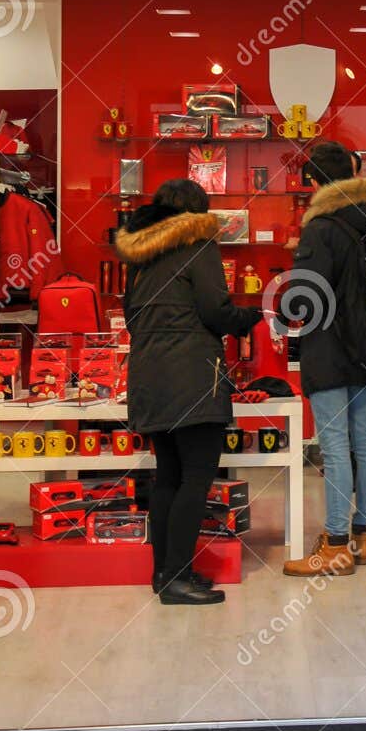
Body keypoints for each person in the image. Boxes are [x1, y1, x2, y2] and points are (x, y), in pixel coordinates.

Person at [116, 178, 262, 606]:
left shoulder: (140, 257)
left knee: (168, 478)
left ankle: (164, 573)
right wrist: (248, 318)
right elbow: (215, 311)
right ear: (199, 215)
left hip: (148, 377)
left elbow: (131, 319)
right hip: (193, 379)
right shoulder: (200, 247)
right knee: (196, 478)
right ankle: (178, 577)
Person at [282, 140, 366, 579]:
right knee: (365, 440)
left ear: (315, 181)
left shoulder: (321, 227)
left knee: (334, 445)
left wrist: (283, 311)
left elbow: (304, 296)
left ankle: (334, 546)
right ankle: (362, 537)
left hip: (331, 348)